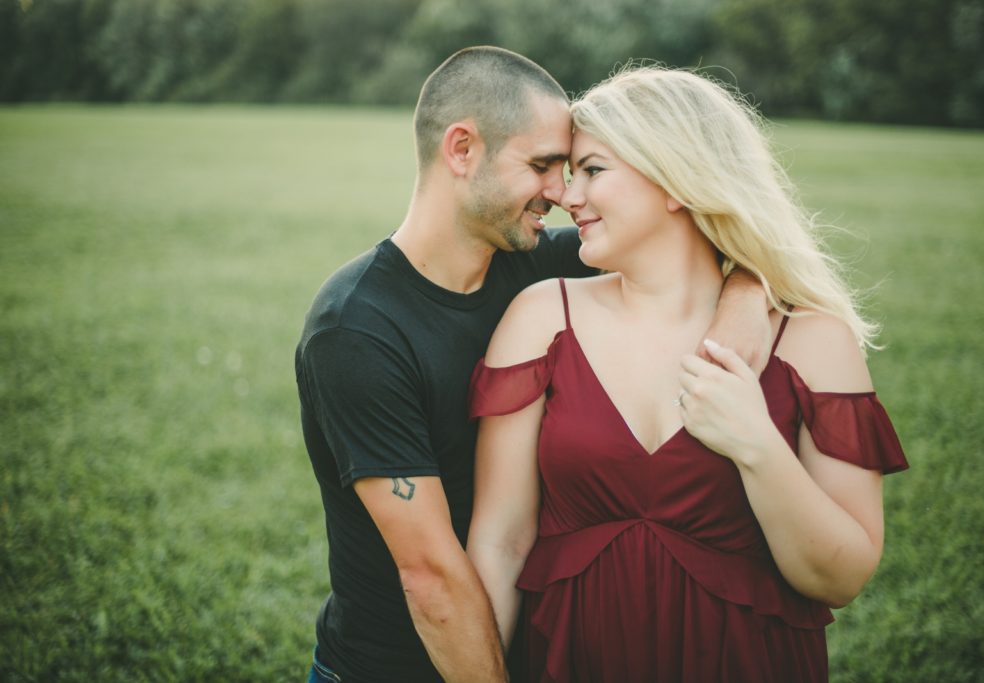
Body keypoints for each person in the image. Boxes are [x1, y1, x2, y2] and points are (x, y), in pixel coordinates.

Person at [295, 49, 771, 683]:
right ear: (462, 150)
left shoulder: (541, 260)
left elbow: (708, 239)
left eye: (571, 167)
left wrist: (745, 298)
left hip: (533, 643)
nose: (563, 193)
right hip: (396, 668)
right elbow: (430, 578)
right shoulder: (356, 330)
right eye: (543, 165)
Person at [466, 66, 909, 682]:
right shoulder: (542, 317)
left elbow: (842, 578)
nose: (568, 197)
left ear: (675, 180)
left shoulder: (813, 340)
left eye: (592, 170)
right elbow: (500, 541)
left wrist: (755, 445)